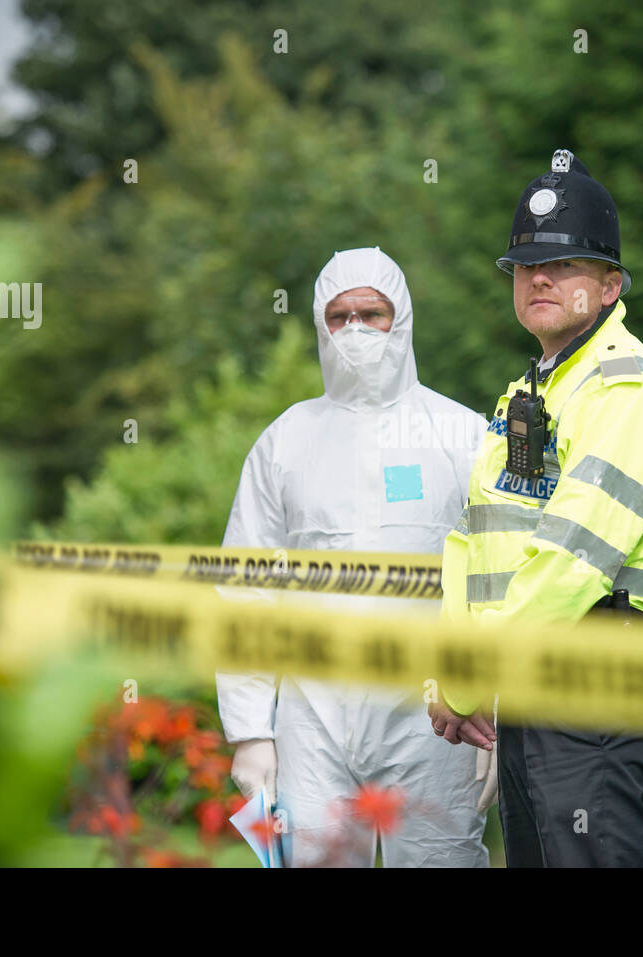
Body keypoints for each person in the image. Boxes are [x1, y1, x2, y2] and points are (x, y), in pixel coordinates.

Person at [427, 149, 643, 867]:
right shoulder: (533, 392)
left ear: (611, 287)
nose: (538, 277)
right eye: (524, 265)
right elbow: (470, 544)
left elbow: (571, 561)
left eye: (566, 264)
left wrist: (468, 676)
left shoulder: (628, 394)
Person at [216, 247, 490, 867]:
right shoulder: (287, 440)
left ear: (404, 320)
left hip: (433, 710)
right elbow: (246, 588)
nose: (357, 330)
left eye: (374, 313)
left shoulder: (463, 435)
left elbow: (498, 578)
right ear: (319, 325)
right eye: (340, 317)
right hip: (314, 712)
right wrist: (250, 732)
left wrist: (492, 692)